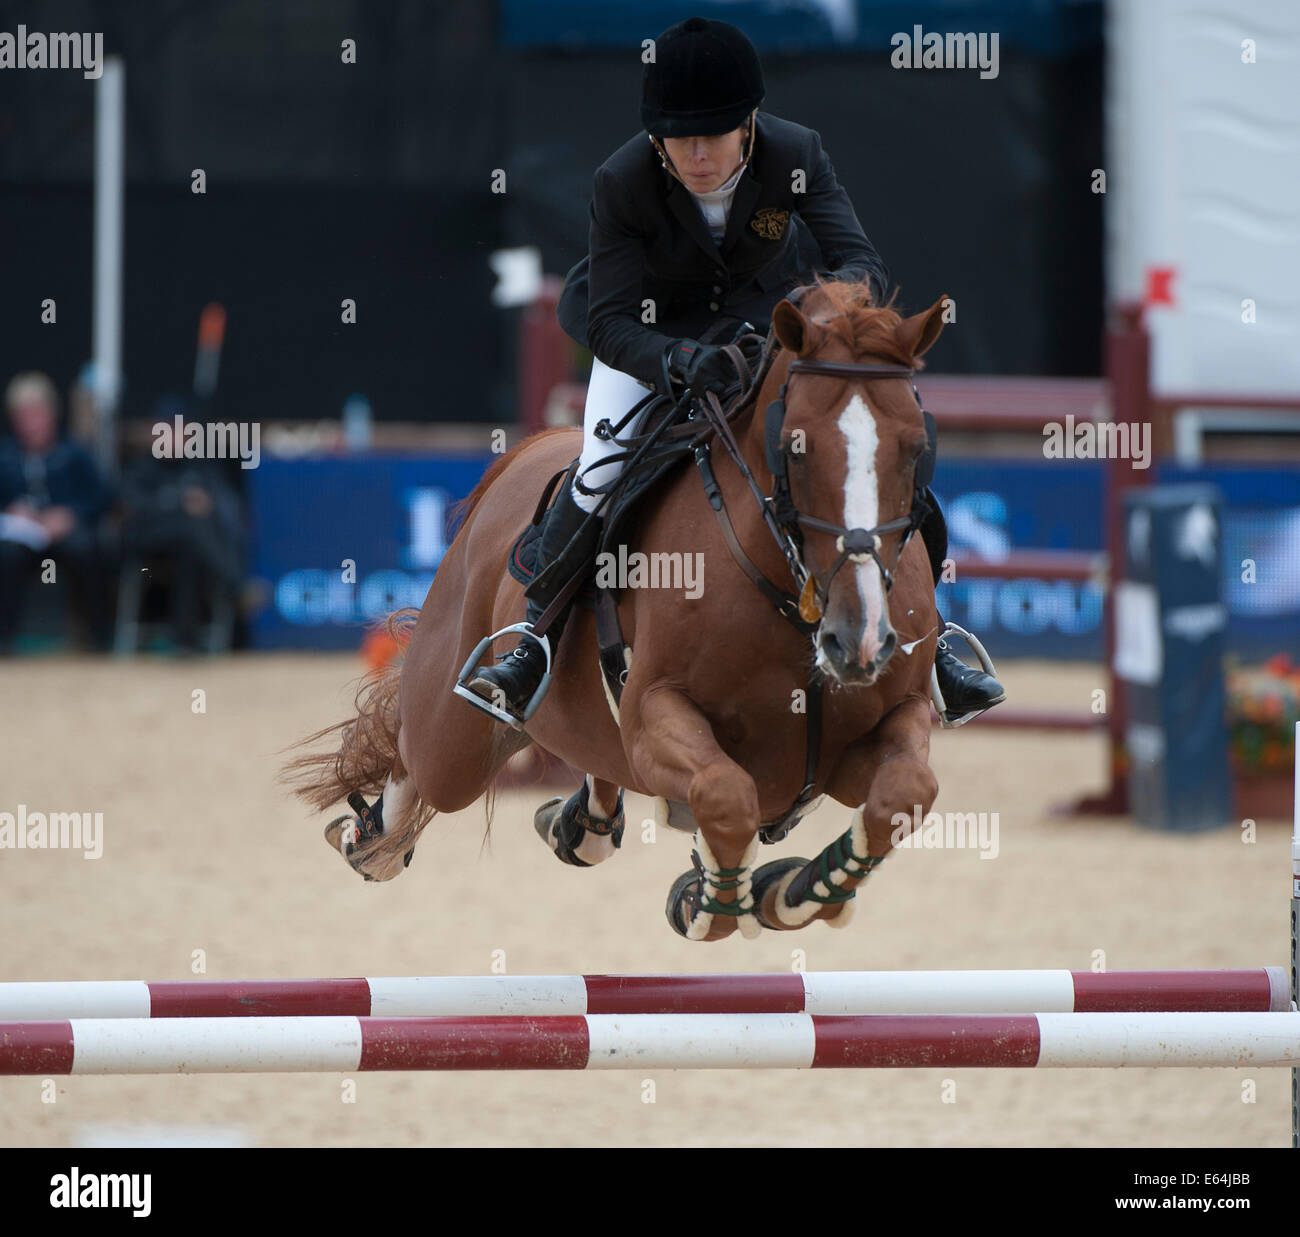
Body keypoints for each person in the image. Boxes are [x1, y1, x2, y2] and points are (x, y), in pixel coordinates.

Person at [463, 15, 1003, 724]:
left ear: (748, 124)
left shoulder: (795, 153)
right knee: (600, 463)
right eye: (678, 139)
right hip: (647, 341)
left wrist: (814, 317)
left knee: (869, 452)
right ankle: (531, 639)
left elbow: (861, 262)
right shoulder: (623, 180)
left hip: (764, 332)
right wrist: (681, 359)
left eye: (711, 135)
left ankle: (937, 647)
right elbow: (610, 322)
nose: (695, 154)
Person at [118, 402, 244, 653]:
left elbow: (226, 507)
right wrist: (180, 503)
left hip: (191, 548)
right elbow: (133, 509)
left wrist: (207, 504)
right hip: (148, 544)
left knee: (193, 542)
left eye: (180, 431)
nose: (173, 437)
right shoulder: (140, 467)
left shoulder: (199, 467)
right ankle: (235, 584)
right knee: (191, 528)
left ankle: (185, 641)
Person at [0, 372, 113, 652]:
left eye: (35, 415)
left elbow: (102, 497)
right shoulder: (5, 456)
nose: (30, 424)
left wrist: (70, 515)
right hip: (21, 538)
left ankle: (97, 636)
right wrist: (11, 512)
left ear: (51, 414)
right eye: (22, 416)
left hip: (66, 534)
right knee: (7, 555)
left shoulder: (74, 453)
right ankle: (5, 639)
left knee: (86, 548)